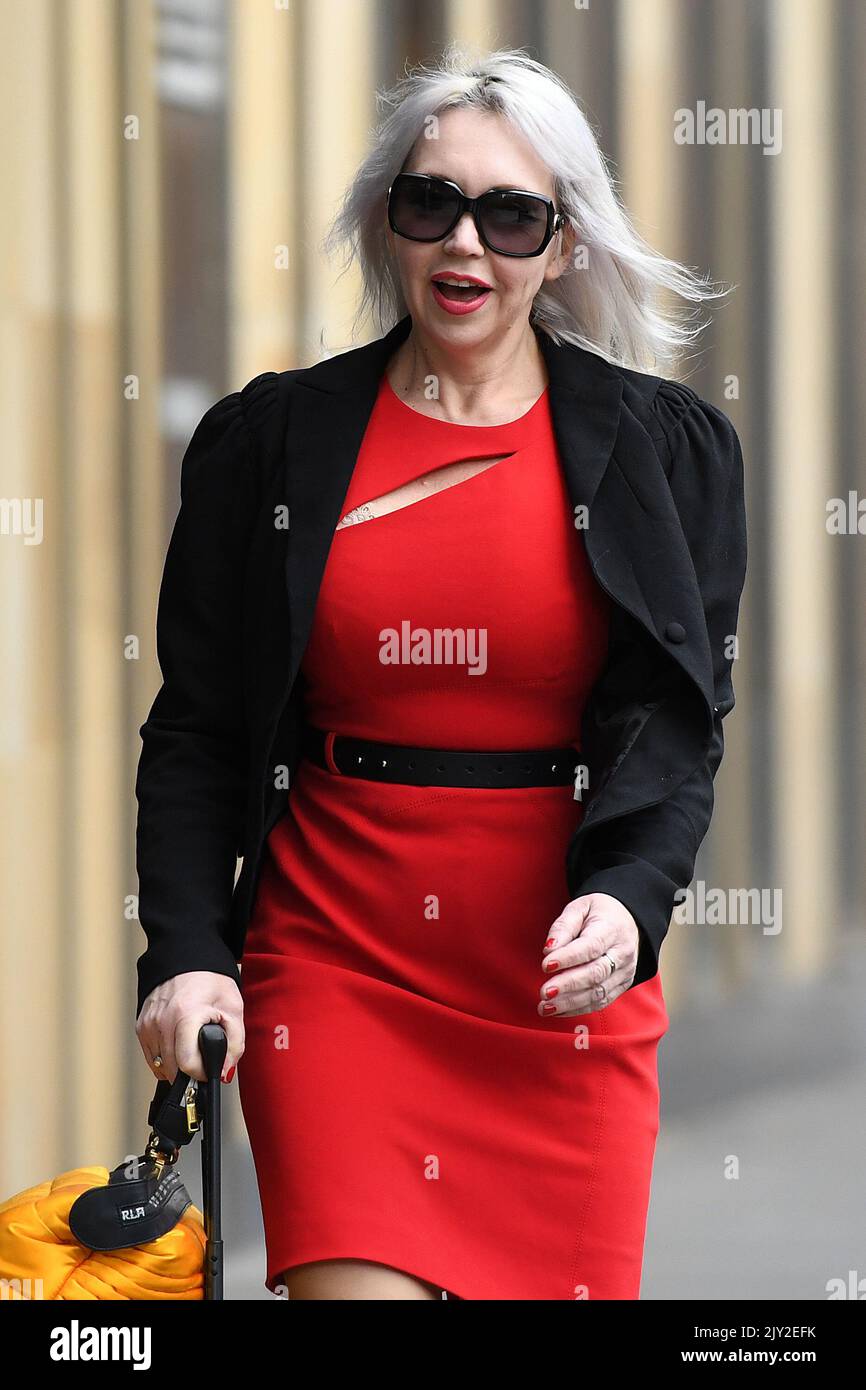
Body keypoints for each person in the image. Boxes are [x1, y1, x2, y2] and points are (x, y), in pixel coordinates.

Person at [134, 46, 747, 1300]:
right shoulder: (268, 449)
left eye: (510, 214)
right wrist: (187, 949)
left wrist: (631, 895)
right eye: (431, 203)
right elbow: (196, 729)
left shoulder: (662, 453)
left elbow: (676, 724)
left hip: (558, 990)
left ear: (562, 245)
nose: (466, 243)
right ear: (387, 221)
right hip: (336, 968)